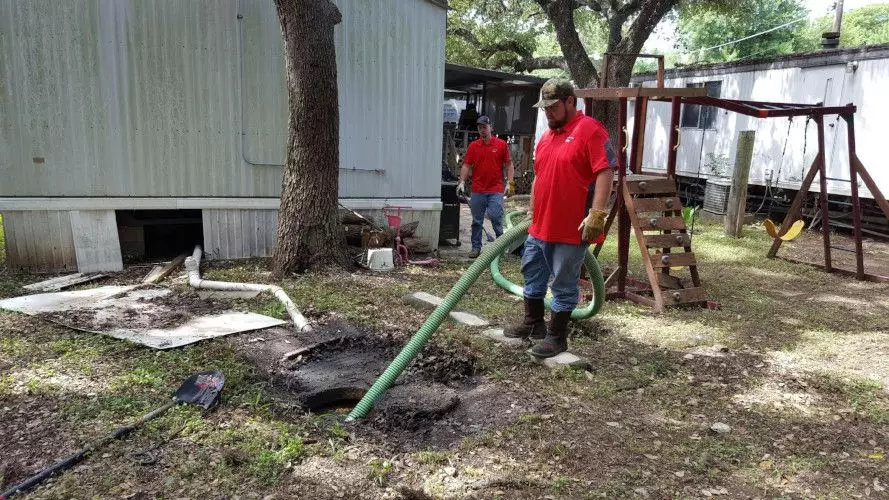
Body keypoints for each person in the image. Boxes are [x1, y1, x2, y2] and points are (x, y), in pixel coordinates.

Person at [504, 79, 617, 358]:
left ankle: (557, 337)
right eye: (545, 108)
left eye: (553, 107)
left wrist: (597, 213)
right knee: (532, 272)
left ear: (570, 102)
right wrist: (533, 209)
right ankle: (533, 325)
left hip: (570, 228)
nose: (548, 113)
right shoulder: (546, 138)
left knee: (564, 283)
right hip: (540, 226)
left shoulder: (590, 130)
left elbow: (606, 171)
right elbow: (540, 177)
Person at [456, 116, 516, 258]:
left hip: (495, 189)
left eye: (485, 127)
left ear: (491, 127)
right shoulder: (474, 146)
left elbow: (509, 165)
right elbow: (466, 165)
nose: (482, 130)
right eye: (480, 127)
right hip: (478, 189)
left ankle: (501, 246)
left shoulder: (501, 145)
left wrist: (510, 182)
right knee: (477, 221)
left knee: (496, 216)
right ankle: (476, 248)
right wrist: (462, 182)